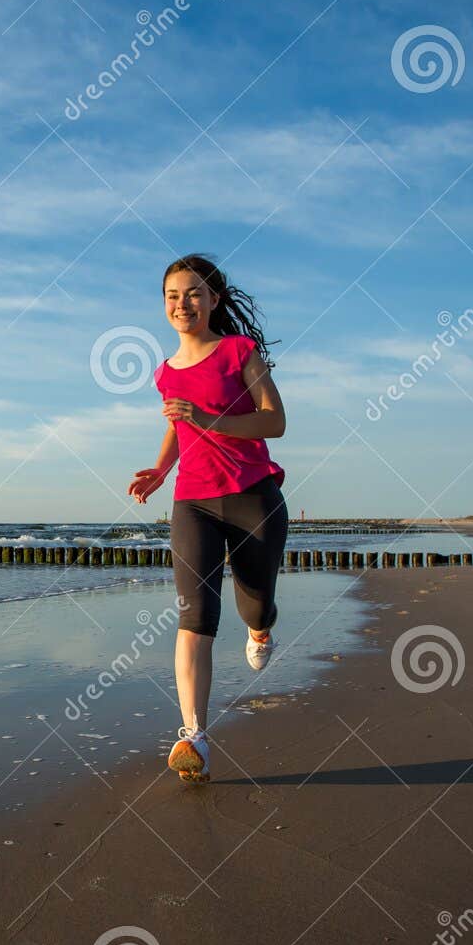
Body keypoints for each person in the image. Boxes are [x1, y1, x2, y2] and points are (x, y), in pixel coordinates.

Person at [126, 254, 288, 784]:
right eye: (173, 296)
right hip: (192, 500)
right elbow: (180, 426)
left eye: (193, 293)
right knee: (194, 617)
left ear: (214, 299)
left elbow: (275, 419)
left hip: (252, 493)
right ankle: (193, 735)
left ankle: (261, 631)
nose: (182, 304)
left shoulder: (240, 351)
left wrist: (211, 418)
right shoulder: (165, 372)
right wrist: (159, 468)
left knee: (256, 602)